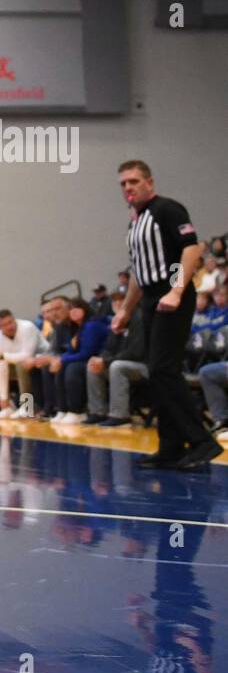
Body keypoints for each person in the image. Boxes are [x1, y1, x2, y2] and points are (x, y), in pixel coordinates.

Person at [111, 160, 222, 469]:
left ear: (149, 182)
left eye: (133, 181)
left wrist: (175, 290)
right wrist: (125, 311)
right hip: (149, 300)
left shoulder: (167, 209)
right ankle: (171, 446)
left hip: (171, 296)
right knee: (156, 372)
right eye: (123, 183)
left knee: (164, 370)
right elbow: (138, 272)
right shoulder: (135, 222)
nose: (128, 187)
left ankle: (202, 441)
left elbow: (192, 249)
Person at [84, 293, 148, 427]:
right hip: (123, 363)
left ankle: (120, 416)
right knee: (93, 366)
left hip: (146, 365)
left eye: (122, 300)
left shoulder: (140, 318)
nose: (117, 304)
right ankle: (98, 412)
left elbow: (136, 352)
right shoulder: (117, 320)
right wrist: (100, 359)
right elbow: (108, 348)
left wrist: (106, 361)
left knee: (116, 366)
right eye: (114, 301)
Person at [51, 298, 110, 424]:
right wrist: (59, 360)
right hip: (86, 360)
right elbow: (73, 351)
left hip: (99, 360)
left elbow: (86, 353)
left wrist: (62, 359)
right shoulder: (78, 327)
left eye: (76, 308)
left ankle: (77, 411)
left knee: (72, 368)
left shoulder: (92, 325)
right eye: (70, 309)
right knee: (61, 366)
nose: (73, 311)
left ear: (85, 309)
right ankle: (63, 409)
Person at [0, 311, 46, 419]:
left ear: (14, 319)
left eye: (10, 322)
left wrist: (2, 356)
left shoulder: (27, 327)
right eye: (4, 325)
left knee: (22, 364)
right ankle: (8, 407)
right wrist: (3, 398)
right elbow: (1, 367)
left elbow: (27, 355)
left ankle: (27, 407)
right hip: (18, 364)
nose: (9, 327)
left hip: (41, 360)